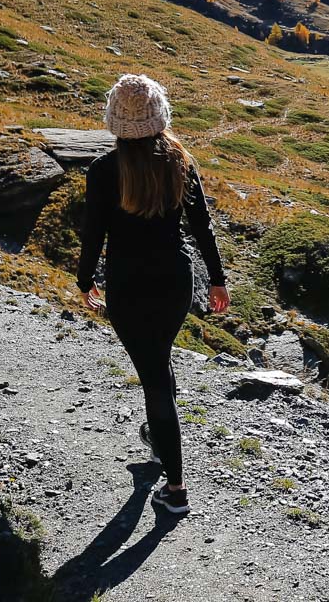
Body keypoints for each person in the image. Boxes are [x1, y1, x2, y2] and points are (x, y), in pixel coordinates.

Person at [77, 74, 229, 515]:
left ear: (115, 121)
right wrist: (217, 280)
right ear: (160, 116)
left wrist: (85, 279)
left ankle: (176, 488)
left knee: (154, 378)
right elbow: (202, 227)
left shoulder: (104, 170)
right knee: (158, 361)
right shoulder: (181, 160)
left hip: (128, 286)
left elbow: (93, 233)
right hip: (176, 282)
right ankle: (159, 439)